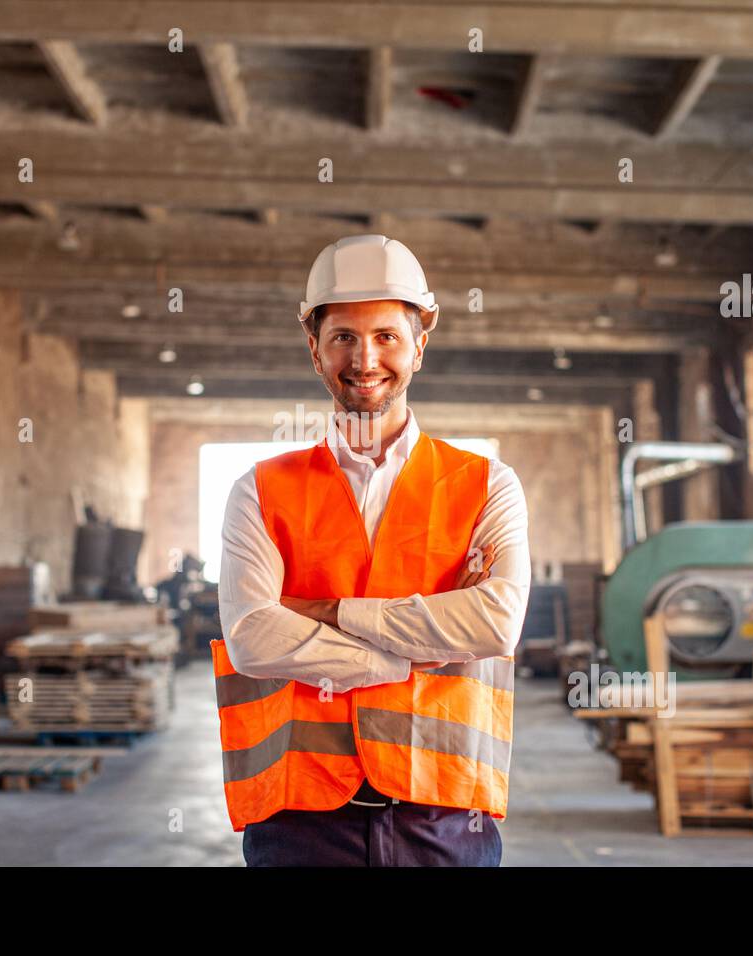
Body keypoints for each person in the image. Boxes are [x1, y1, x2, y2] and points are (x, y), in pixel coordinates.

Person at [214, 234, 530, 866]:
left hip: (444, 818)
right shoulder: (260, 489)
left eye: (387, 335)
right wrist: (414, 658)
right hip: (299, 822)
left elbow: (496, 623)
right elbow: (253, 637)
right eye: (343, 338)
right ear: (315, 348)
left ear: (420, 345)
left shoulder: (486, 484)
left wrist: (331, 611)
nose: (365, 359)